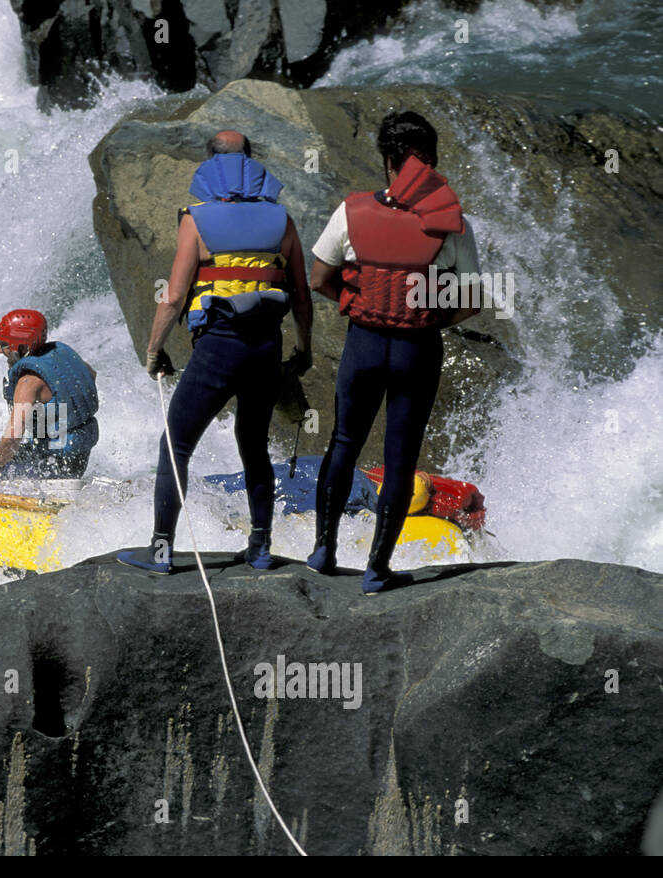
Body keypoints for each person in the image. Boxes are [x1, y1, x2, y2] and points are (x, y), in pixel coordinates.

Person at [118, 130, 313, 573]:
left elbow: (173, 296)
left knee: (175, 445)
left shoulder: (197, 220)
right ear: (254, 163)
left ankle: (162, 549)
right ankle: (260, 547)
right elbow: (301, 295)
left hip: (218, 348)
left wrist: (154, 351)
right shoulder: (282, 221)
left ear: (209, 166)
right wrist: (304, 351)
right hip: (266, 346)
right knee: (253, 445)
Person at [307, 110, 483, 593]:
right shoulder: (455, 223)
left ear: (388, 161)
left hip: (363, 345)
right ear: (432, 160)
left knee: (344, 441)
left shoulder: (351, 211)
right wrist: (426, 318)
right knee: (401, 459)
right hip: (416, 351)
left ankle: (324, 549)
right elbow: (471, 300)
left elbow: (319, 278)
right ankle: (376, 569)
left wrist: (361, 304)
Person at [0, 309, 99, 480]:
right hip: (77, 461)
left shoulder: (28, 382)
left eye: (3, 344)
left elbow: (12, 438)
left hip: (50, 467)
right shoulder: (62, 356)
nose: (0, 350)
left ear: (21, 347)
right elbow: (91, 375)